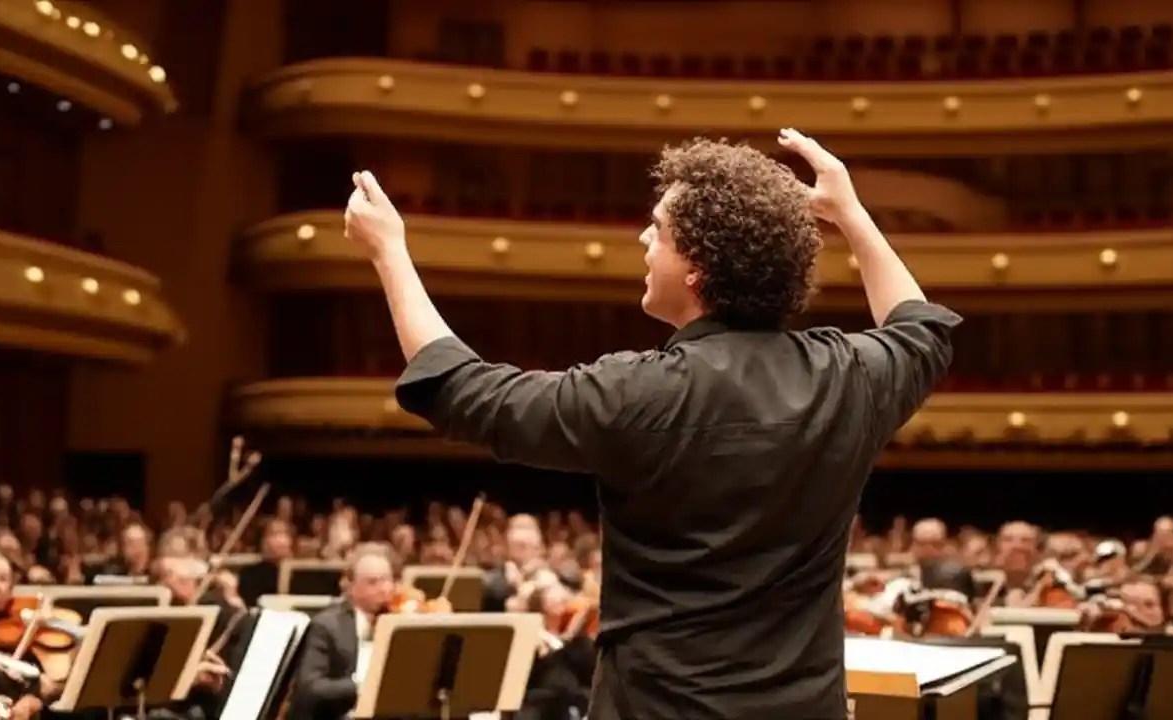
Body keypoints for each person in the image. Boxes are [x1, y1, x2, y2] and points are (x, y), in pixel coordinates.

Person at [342, 129, 961, 720]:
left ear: (697, 266)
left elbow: (463, 392)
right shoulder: (846, 377)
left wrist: (390, 253)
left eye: (659, 230)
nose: (644, 238)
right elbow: (921, 330)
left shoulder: (638, 393)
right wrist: (850, 214)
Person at [288, 542, 398, 720]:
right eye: (373, 582)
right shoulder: (326, 625)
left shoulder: (398, 622)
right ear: (351, 586)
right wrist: (362, 687)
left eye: (387, 580)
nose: (384, 590)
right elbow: (310, 687)